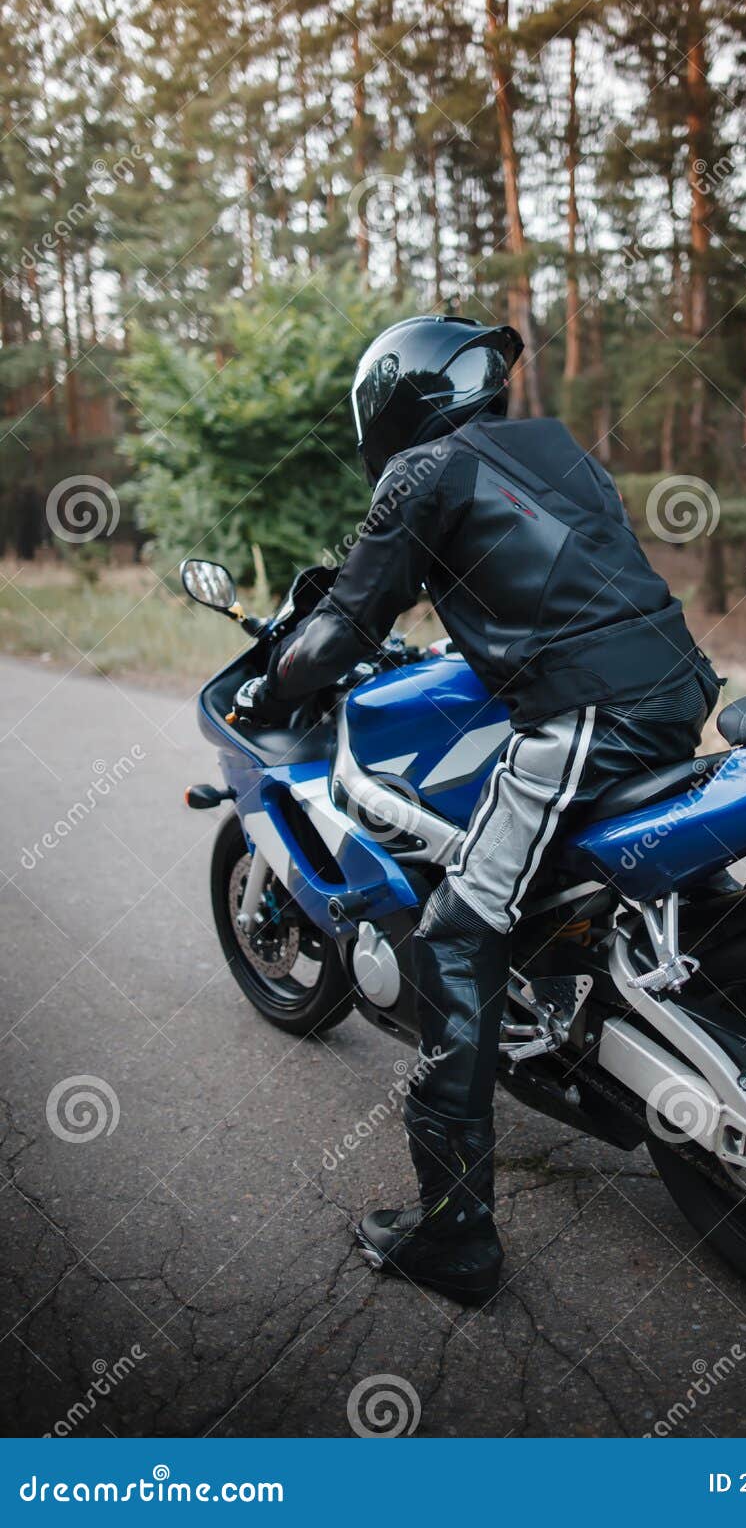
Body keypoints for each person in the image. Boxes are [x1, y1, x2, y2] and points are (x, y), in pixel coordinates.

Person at [235, 315, 719, 1305]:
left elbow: (342, 625)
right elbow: (558, 576)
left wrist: (271, 691)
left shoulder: (420, 473)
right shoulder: (553, 454)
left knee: (455, 932)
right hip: (672, 686)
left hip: (587, 712)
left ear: (396, 404)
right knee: (549, 877)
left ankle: (455, 1234)